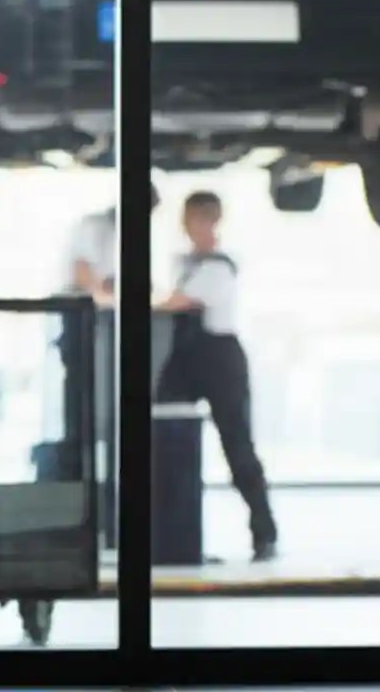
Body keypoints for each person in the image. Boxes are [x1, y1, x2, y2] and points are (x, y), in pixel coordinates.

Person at [155, 191, 278, 562]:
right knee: (165, 435)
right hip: (184, 357)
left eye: (197, 219)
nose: (191, 227)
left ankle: (264, 533)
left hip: (220, 359)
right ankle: (173, 534)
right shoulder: (184, 263)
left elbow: (180, 302)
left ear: (212, 221)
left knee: (237, 445)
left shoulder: (219, 267)